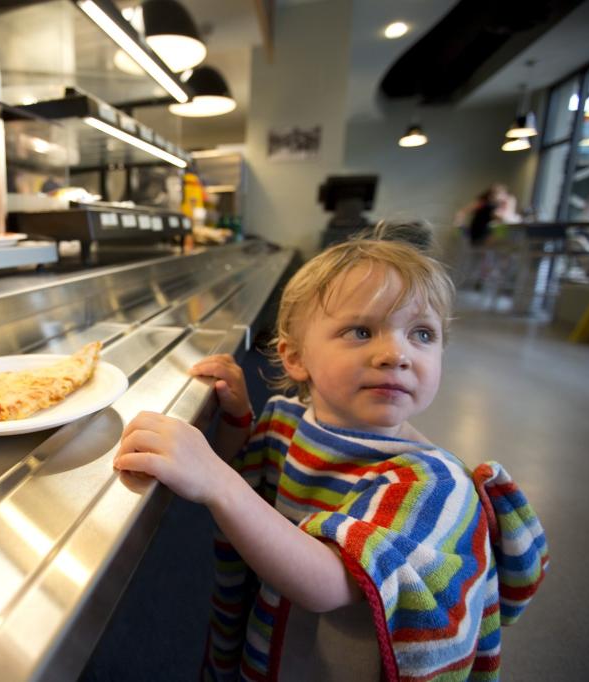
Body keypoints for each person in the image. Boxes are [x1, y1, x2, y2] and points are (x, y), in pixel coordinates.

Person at [114, 223, 549, 680]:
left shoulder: (432, 485)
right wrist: (238, 417)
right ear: (295, 358)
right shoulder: (289, 420)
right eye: (362, 331)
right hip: (271, 643)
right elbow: (247, 472)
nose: (396, 354)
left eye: (422, 334)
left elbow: (330, 583)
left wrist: (214, 480)